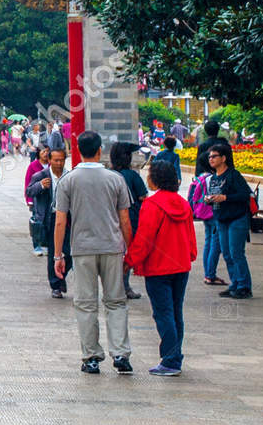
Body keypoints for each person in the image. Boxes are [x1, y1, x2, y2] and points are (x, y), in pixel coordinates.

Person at [53, 130, 133, 375]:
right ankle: (120, 353)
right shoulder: (115, 178)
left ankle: (91, 357)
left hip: (82, 249)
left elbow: (60, 221)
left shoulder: (68, 180)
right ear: (100, 151)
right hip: (112, 247)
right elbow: (124, 219)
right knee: (116, 301)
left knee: (86, 303)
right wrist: (129, 249)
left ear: (78, 150)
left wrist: (58, 255)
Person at [125, 160, 198, 377]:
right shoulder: (183, 203)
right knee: (176, 312)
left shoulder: (152, 205)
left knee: (163, 313)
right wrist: (189, 256)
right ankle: (174, 357)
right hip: (180, 265)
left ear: (154, 179)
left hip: (159, 267)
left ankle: (171, 360)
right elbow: (190, 236)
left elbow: (145, 238)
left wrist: (129, 260)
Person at [203, 140, 254, 299]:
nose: (211, 159)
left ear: (223, 158)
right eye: (209, 157)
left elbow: (245, 194)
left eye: (214, 156)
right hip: (221, 219)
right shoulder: (213, 178)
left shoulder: (233, 175)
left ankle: (244, 286)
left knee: (236, 252)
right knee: (226, 253)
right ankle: (235, 284)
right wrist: (209, 199)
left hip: (237, 218)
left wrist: (225, 197)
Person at [28, 147, 71, 297]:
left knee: (71, 252)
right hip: (51, 218)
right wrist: (40, 186)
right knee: (54, 252)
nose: (58, 163)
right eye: (55, 160)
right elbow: (29, 191)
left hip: (68, 218)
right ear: (50, 160)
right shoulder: (41, 175)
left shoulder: (70, 176)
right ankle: (55, 285)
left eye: (61, 160)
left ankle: (62, 276)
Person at [110, 141, 149, 300]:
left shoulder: (109, 175)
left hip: (110, 220)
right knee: (127, 253)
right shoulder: (132, 176)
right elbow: (143, 197)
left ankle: (114, 287)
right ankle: (124, 287)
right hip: (131, 220)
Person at [24, 146, 49, 254]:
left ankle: (47, 243)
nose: (46, 154)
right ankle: (36, 245)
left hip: (48, 199)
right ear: (39, 153)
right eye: (44, 151)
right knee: (37, 222)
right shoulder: (33, 166)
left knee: (48, 222)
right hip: (36, 199)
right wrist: (29, 200)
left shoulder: (51, 165)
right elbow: (28, 183)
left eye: (48, 151)